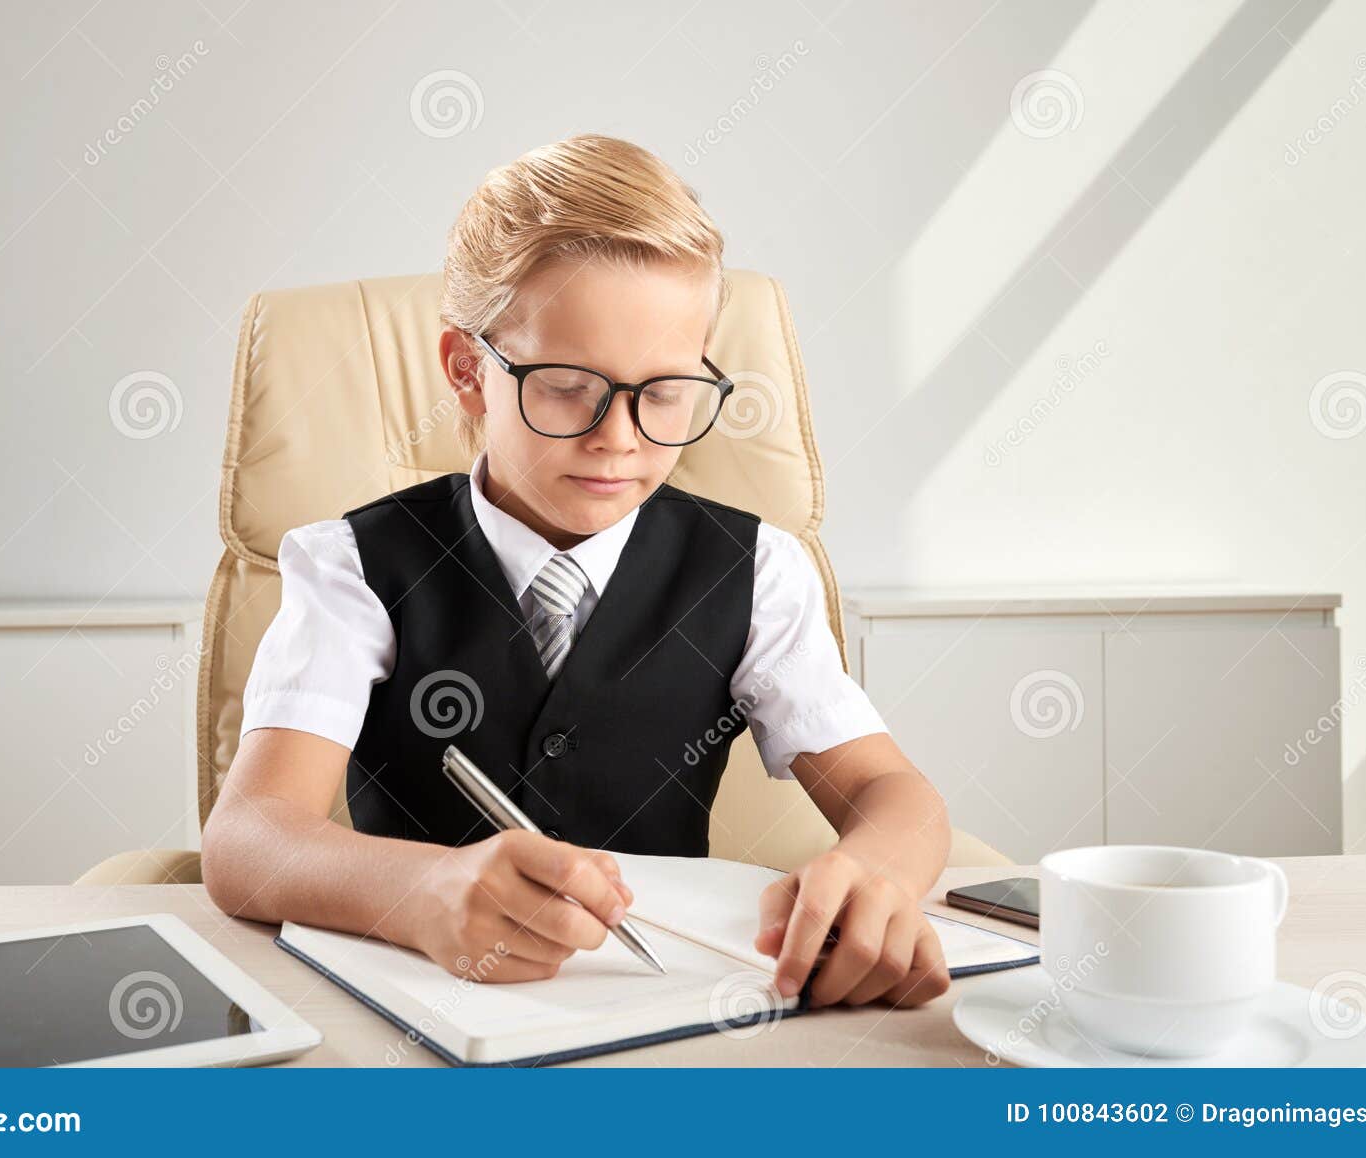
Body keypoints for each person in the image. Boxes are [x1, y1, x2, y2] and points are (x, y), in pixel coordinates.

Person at [202, 134, 952, 1009]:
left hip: (670, 1010)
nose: (619, 438)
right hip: (425, 1008)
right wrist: (421, 893)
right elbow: (249, 838)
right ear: (467, 372)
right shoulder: (355, 566)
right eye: (567, 386)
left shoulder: (754, 572)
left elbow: (891, 791)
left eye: (665, 391)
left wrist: (873, 869)